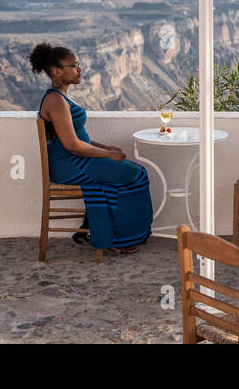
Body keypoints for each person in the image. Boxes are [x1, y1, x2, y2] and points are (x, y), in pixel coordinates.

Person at [31, 43, 152, 253]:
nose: (80, 69)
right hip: (69, 164)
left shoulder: (62, 97)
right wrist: (108, 155)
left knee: (129, 174)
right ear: (57, 71)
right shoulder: (55, 101)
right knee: (138, 175)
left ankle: (97, 230)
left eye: (78, 64)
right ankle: (119, 239)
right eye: (74, 65)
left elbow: (79, 137)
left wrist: (105, 147)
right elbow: (72, 145)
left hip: (76, 159)